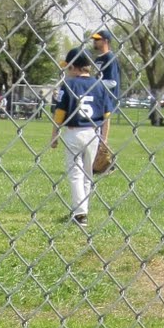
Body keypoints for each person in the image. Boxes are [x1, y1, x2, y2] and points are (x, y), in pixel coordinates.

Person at [49, 48, 111, 228]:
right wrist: (104, 138)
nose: (68, 71)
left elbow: (60, 113)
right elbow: (107, 116)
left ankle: (80, 213)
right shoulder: (99, 85)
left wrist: (54, 135)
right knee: (87, 174)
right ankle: (83, 210)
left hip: (73, 132)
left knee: (75, 172)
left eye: (69, 68)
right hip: (93, 132)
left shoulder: (69, 85)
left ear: (75, 67)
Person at [89, 27, 121, 148]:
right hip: (98, 97)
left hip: (107, 97)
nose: (95, 42)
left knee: (102, 127)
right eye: (94, 39)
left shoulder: (110, 58)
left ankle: (103, 150)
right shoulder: (98, 58)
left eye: (98, 39)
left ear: (106, 41)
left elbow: (112, 82)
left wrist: (93, 83)